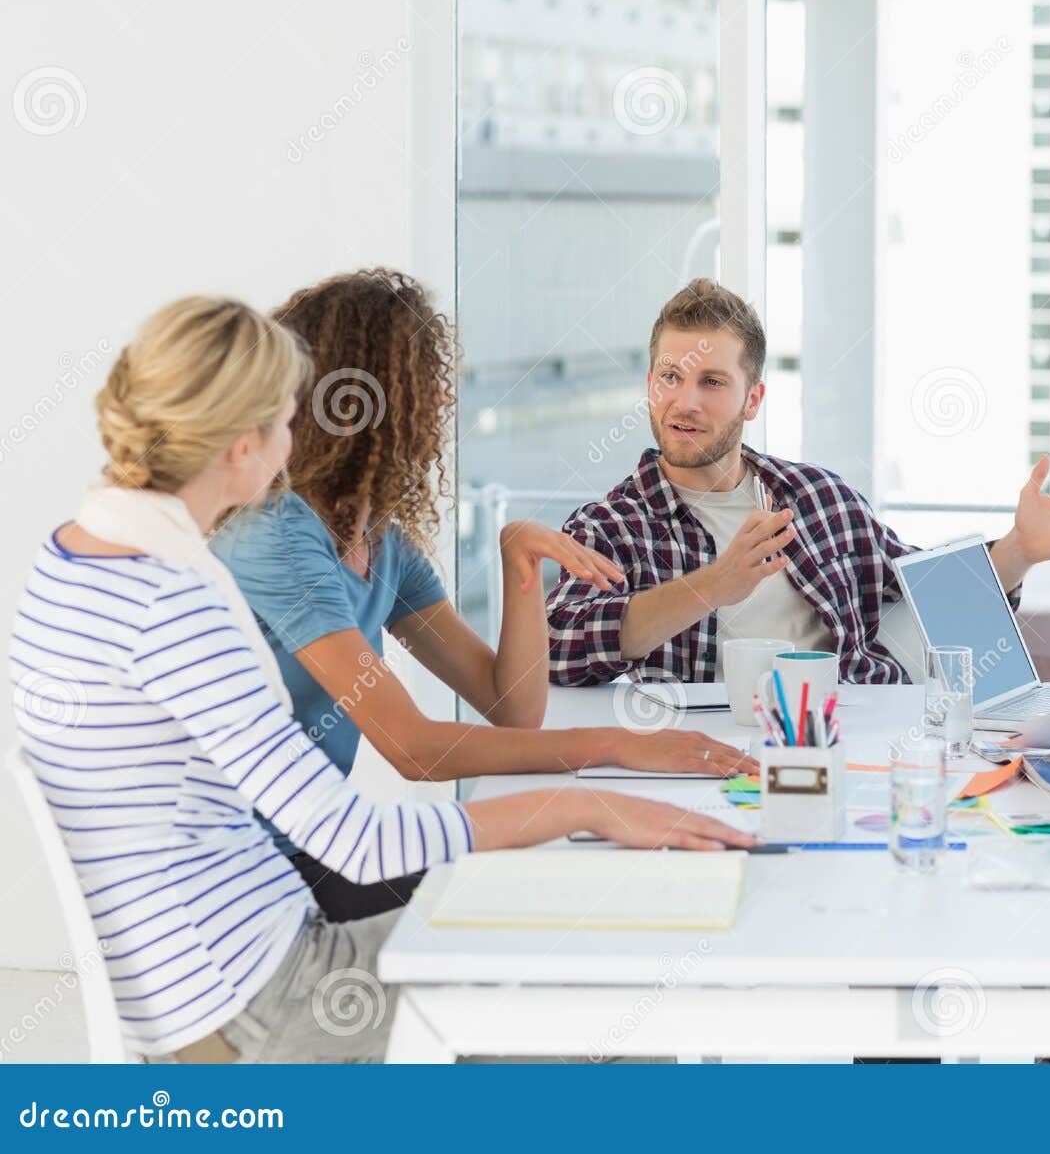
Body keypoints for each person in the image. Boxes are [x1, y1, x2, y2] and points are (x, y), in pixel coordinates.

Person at [9, 297, 753, 1062]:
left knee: (565, 936)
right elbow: (355, 841)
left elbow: (495, 712)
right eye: (284, 418)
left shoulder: (72, 560)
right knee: (604, 994)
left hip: (218, 973)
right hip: (258, 1003)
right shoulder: (177, 602)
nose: (297, 437)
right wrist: (587, 804)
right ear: (241, 443)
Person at [210, 270, 753, 923]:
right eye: (425, 375)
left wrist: (516, 557)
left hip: (312, 848)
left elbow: (510, 708)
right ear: (368, 396)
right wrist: (616, 743)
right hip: (244, 877)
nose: (443, 397)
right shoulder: (278, 534)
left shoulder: (379, 540)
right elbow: (415, 748)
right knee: (542, 898)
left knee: (573, 888)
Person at [546, 278, 1050, 686]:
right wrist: (714, 585)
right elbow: (554, 646)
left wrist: (1020, 551)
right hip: (700, 761)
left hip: (848, 741)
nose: (685, 400)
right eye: (670, 376)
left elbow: (925, 595)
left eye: (712, 382)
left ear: (753, 399)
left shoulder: (819, 500)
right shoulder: (610, 527)